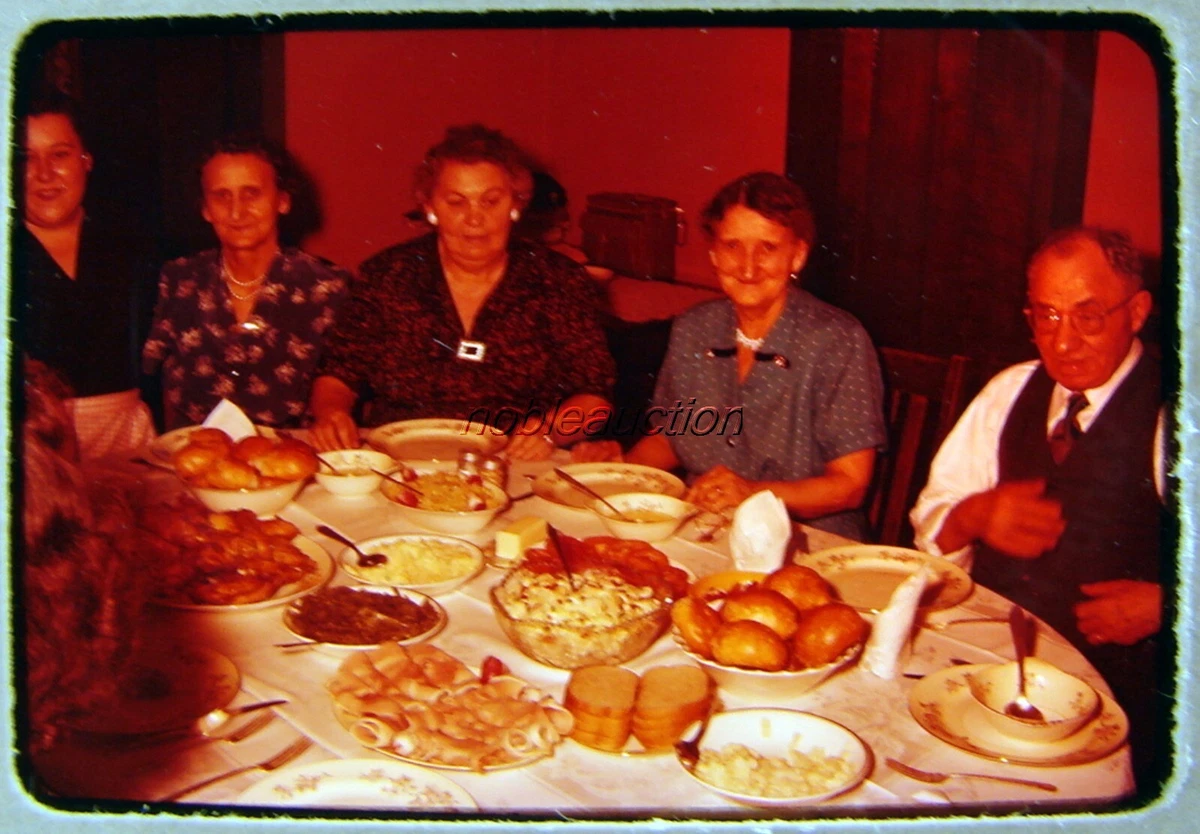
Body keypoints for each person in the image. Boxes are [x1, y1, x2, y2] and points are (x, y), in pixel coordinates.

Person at [909, 226, 1168, 789]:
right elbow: (932, 520)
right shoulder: (1010, 392)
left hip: (1117, 698)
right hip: (985, 664)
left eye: (1089, 316)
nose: (1064, 342)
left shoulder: (1174, 414)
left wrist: (1167, 604)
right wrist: (975, 516)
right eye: (1046, 317)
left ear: (1138, 311)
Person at [589, 172, 886, 538]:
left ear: (798, 255)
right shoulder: (694, 329)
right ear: (714, 254)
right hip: (707, 528)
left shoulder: (837, 340)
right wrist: (618, 467)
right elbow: (672, 438)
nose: (747, 267)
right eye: (732, 246)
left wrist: (752, 493)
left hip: (805, 541)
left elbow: (850, 485)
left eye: (768, 248)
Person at [308, 124, 616, 460]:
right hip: (398, 461)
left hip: (513, 461)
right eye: (456, 202)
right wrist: (331, 414)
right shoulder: (388, 275)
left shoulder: (559, 282)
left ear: (515, 205)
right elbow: (338, 374)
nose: (475, 219)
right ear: (430, 208)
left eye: (491, 201)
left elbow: (594, 398)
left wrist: (548, 431)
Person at [142, 134, 350, 429]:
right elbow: (156, 383)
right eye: (221, 196)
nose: (237, 211)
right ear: (205, 209)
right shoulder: (179, 280)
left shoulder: (327, 287)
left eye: (251, 194)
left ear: (283, 201)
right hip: (198, 456)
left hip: (291, 459)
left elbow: (342, 389)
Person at [14, 90, 160, 459]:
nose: (44, 173)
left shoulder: (132, 239)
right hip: (35, 456)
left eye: (59, 154)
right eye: (24, 158)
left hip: (129, 445)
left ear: (86, 159)